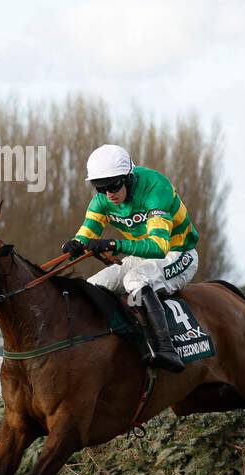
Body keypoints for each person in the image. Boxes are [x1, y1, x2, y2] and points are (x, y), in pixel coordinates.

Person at [61, 144, 201, 372]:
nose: (109, 194)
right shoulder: (104, 199)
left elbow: (158, 246)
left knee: (135, 281)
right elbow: (89, 229)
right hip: (140, 256)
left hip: (178, 253)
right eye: (100, 188)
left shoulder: (156, 188)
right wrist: (76, 243)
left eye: (113, 185)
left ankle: (166, 349)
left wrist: (114, 244)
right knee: (92, 286)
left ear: (128, 177)